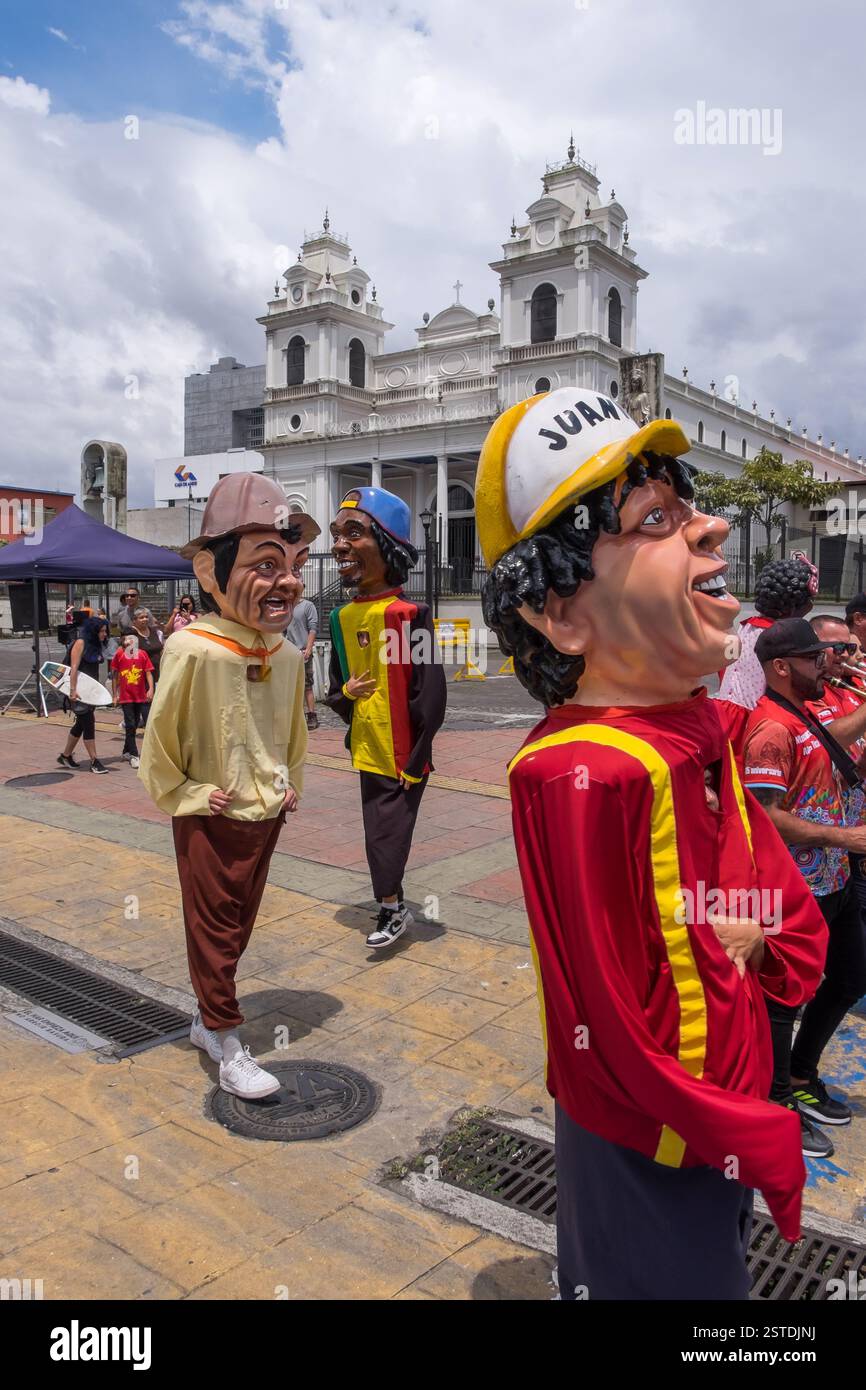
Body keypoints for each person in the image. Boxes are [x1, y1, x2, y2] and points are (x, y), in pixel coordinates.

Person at [478, 386, 827, 1300]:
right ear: (560, 611)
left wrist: (748, 929)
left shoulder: (694, 729)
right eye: (656, 518)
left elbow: (741, 884)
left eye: (687, 505)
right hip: (659, 1120)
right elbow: (613, 1006)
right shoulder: (581, 773)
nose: (710, 530)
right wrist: (733, 1125)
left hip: (727, 1084)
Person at [138, 473, 319, 1099]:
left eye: (293, 565)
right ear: (212, 575)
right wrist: (187, 794)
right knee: (212, 925)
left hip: (265, 809)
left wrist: (290, 781)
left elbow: (291, 732)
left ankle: (206, 1021)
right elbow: (159, 736)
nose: (287, 582)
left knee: (236, 922)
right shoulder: (192, 648)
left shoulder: (288, 656)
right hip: (211, 810)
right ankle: (227, 1036)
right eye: (265, 566)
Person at [743, 618, 866, 1158]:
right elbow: (765, 817)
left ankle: (798, 1074)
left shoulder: (807, 713)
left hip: (833, 879)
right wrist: (843, 835)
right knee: (783, 1000)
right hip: (794, 889)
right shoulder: (769, 729)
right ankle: (776, 1105)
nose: (828, 664)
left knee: (849, 977)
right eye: (817, 658)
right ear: (781, 667)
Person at [326, 487, 447, 950]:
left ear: (388, 545)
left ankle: (392, 908)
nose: (339, 545)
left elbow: (428, 689)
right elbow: (338, 685)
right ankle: (393, 901)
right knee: (379, 831)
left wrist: (419, 756)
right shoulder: (340, 618)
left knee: (386, 832)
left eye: (353, 534)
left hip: (403, 753)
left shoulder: (408, 616)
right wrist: (345, 698)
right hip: (367, 745)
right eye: (338, 535)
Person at [717, 556, 817, 709]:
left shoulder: (743, 628)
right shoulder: (785, 639)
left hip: (724, 709)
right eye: (810, 599)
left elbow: (725, 666)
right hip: (755, 716)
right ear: (799, 604)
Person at [57, 616, 110, 774]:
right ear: (93, 631)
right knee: (88, 723)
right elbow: (73, 668)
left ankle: (66, 756)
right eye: (102, 631)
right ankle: (95, 761)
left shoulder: (96, 645)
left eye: (105, 631)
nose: (105, 634)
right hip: (78, 692)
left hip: (90, 693)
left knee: (81, 724)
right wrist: (72, 690)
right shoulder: (80, 643)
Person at [111, 632, 155, 768]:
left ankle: (126, 751)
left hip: (140, 695)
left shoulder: (142, 654)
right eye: (127, 639)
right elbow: (115, 676)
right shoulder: (119, 655)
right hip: (126, 696)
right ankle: (134, 755)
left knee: (134, 724)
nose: (130, 641)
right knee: (130, 724)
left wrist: (151, 689)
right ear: (123, 642)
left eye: (132, 638)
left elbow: (148, 672)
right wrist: (115, 694)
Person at [284, 577, 319, 730]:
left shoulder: (308, 606)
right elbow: (283, 630)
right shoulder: (287, 606)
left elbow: (312, 628)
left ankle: (312, 715)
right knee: (291, 685)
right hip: (289, 652)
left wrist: (309, 648)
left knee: (307, 685)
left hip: (303, 651)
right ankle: (296, 716)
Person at [130, 608, 164, 681]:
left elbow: (161, 648)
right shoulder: (131, 634)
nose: (145, 619)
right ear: (134, 620)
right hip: (141, 674)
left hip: (158, 671)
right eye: (141, 617)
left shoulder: (154, 631)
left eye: (146, 617)